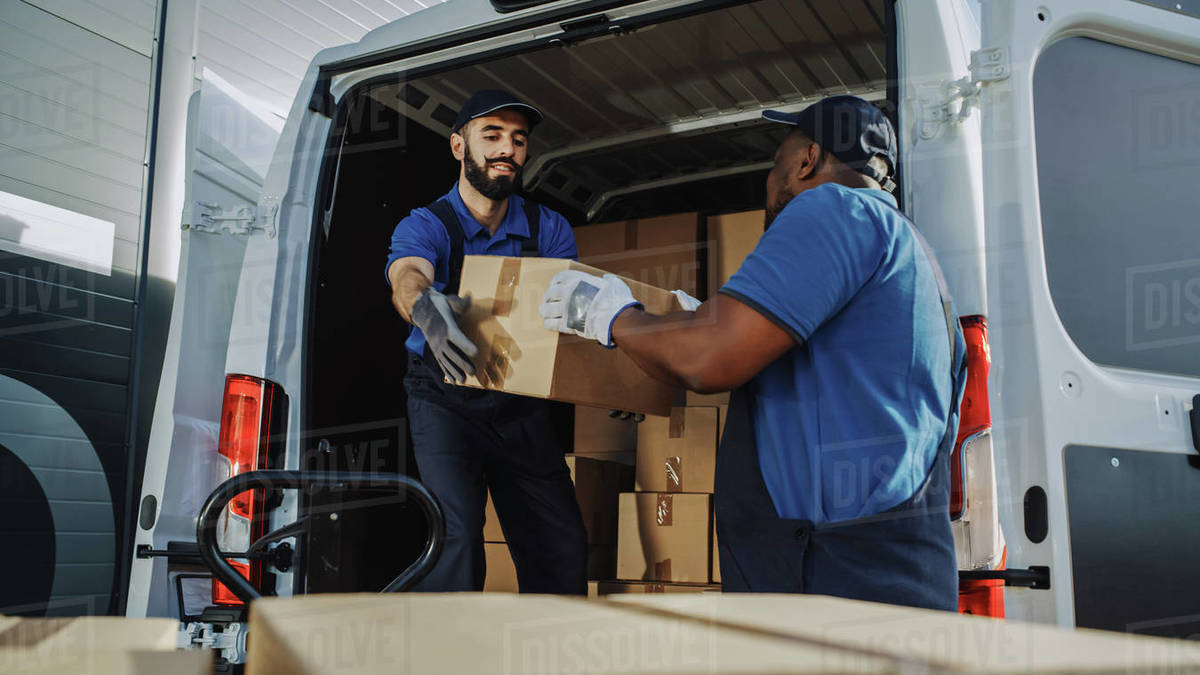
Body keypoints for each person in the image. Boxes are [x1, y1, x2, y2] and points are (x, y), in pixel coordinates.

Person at [540, 95, 967, 610]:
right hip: (888, 567)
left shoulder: (833, 208)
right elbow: (804, 367)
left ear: (806, 159)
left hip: (828, 575)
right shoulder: (912, 250)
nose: (770, 179)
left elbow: (708, 360)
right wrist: (692, 319)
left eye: (774, 162)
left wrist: (611, 317)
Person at [386, 89, 587, 593]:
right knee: (455, 543)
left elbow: (566, 307)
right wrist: (425, 306)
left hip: (518, 401)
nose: (507, 150)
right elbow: (408, 273)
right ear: (458, 147)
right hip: (444, 399)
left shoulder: (549, 228)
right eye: (492, 136)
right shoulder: (429, 223)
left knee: (561, 544)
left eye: (518, 140)